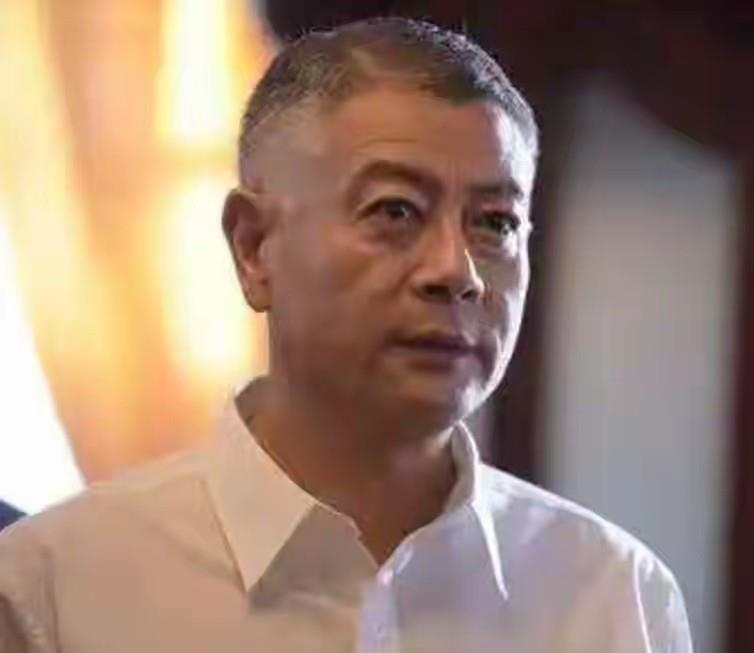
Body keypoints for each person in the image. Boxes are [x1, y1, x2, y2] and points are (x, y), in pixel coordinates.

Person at [0, 17, 692, 652]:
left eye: (495, 223)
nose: (456, 272)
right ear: (254, 246)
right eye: (395, 210)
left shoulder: (615, 596)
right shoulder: (53, 588)